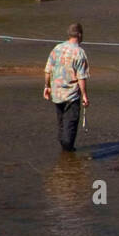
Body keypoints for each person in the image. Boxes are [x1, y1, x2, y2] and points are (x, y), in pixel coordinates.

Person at [42, 22, 90, 152]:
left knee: (62, 123)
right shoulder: (79, 53)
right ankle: (67, 151)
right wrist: (85, 95)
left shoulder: (57, 48)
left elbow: (48, 70)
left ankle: (65, 153)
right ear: (79, 35)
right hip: (71, 95)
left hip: (56, 93)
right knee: (71, 124)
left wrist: (47, 86)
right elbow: (81, 77)